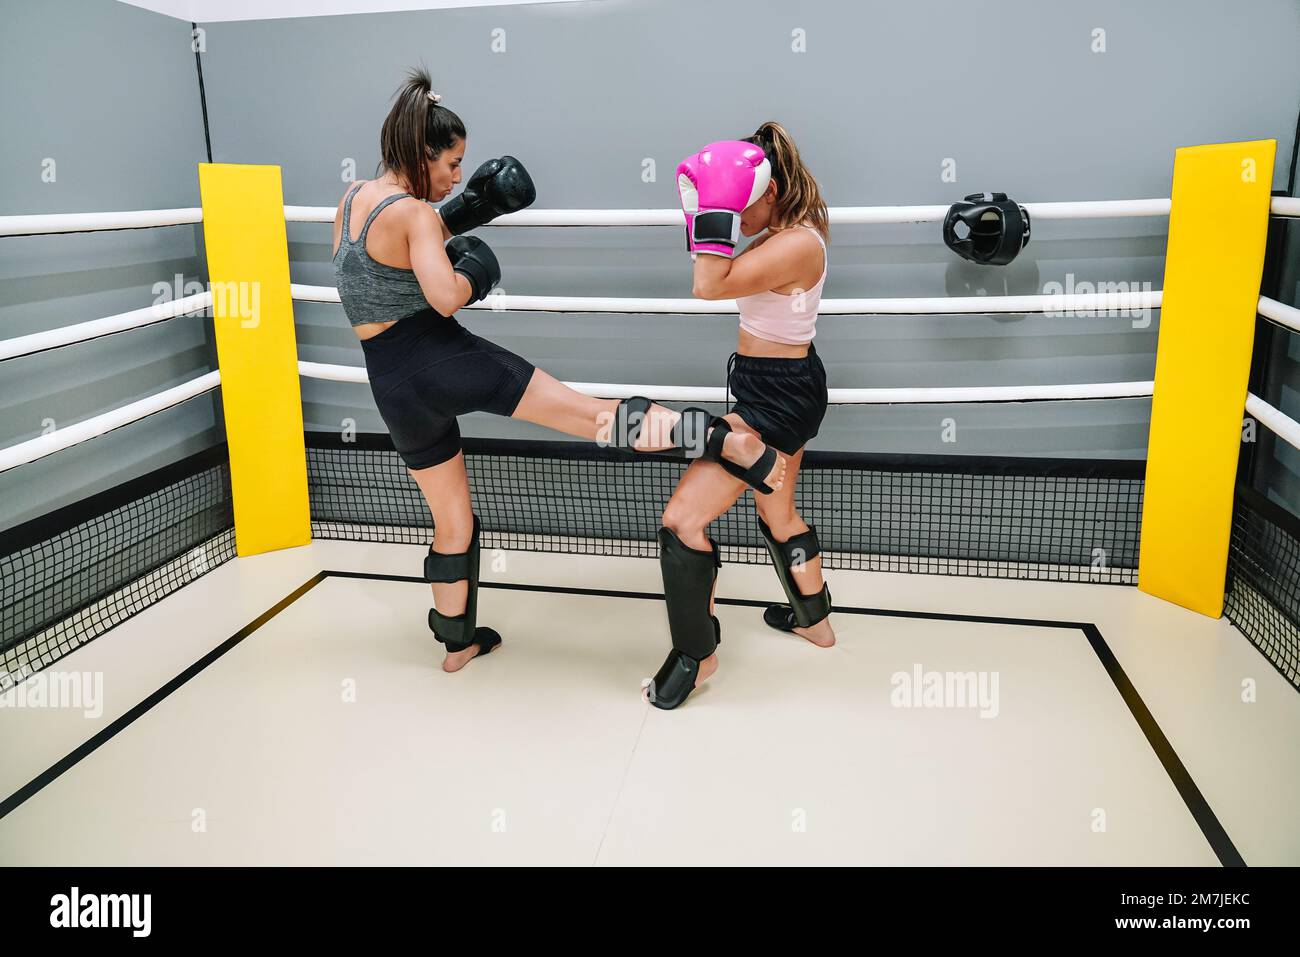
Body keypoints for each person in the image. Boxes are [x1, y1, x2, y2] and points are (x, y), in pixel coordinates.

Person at [332, 69, 787, 672]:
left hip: (390, 381)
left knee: (451, 517)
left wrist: (461, 216)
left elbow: (389, 261)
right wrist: (476, 275)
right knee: (592, 417)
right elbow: (443, 295)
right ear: (423, 153)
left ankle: (456, 644)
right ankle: (723, 438)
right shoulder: (414, 213)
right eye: (452, 164)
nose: (456, 178)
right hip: (442, 357)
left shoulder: (351, 200)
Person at [646, 124, 837, 710]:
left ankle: (696, 656)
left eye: (737, 199)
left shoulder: (798, 243)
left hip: (775, 399)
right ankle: (815, 622)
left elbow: (709, 283)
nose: (731, 213)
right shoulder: (784, 231)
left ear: (770, 188)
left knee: (682, 520)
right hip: (777, 387)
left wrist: (715, 212)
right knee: (777, 510)